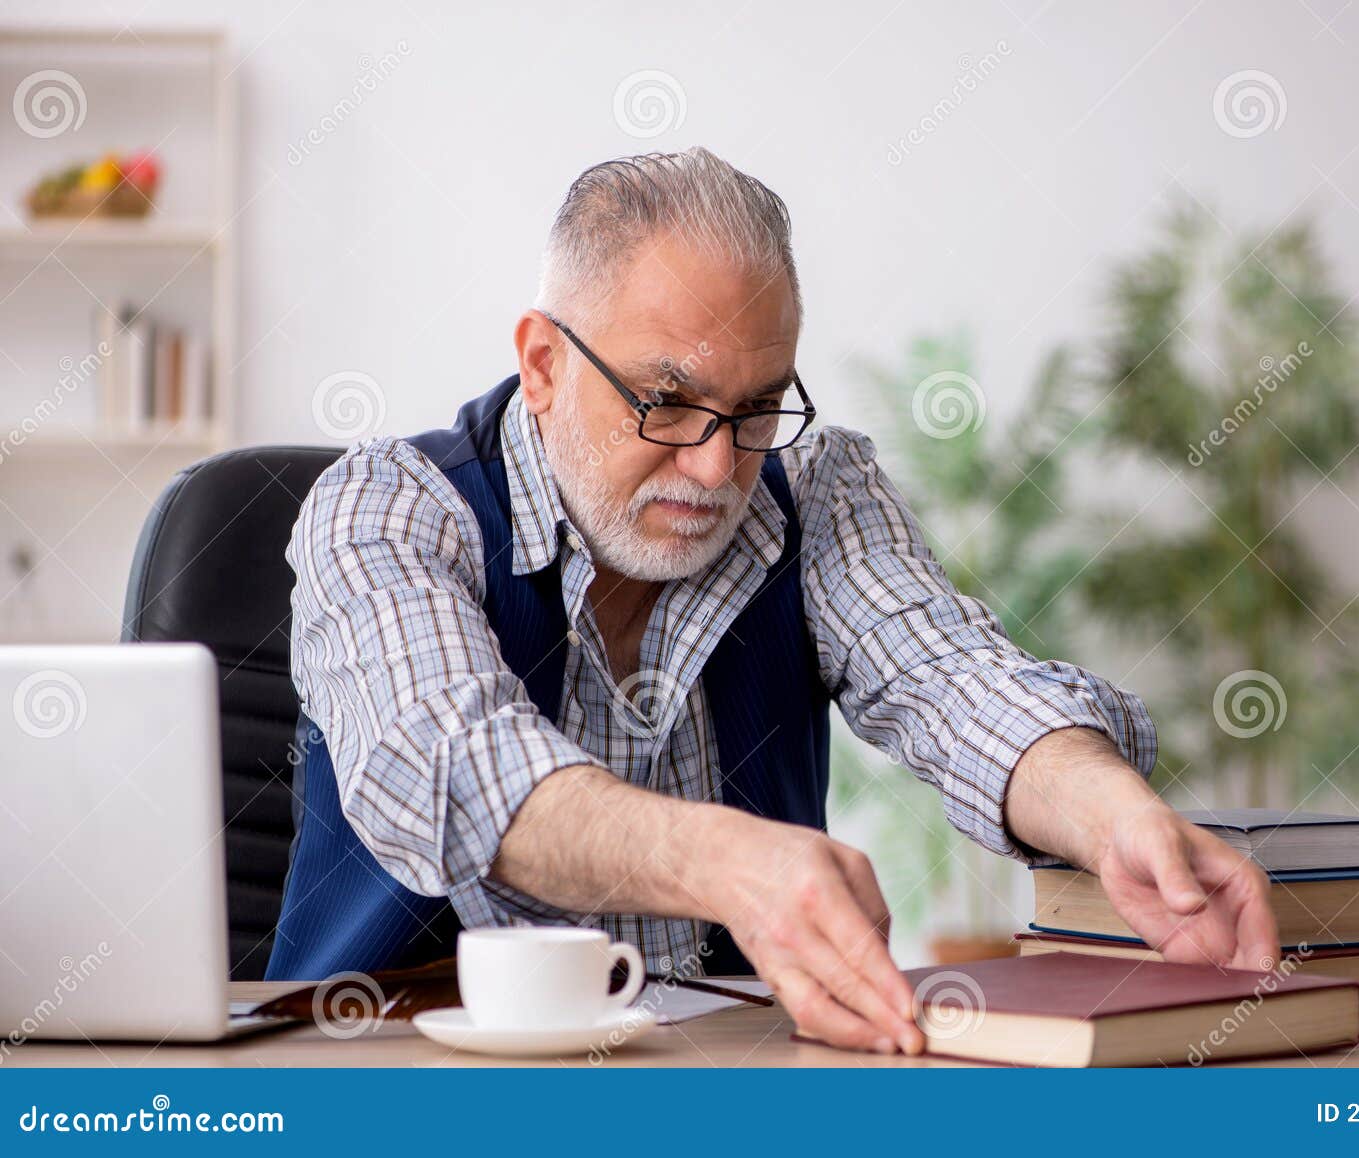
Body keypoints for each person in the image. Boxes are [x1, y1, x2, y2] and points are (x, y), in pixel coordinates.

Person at [273, 146, 1277, 1055]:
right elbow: (453, 759)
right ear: (542, 364)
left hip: (727, 1082)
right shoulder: (385, 509)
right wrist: (721, 862)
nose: (716, 469)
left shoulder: (818, 490)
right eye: (665, 404)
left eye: (755, 409)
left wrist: (1108, 813)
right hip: (391, 1085)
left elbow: (947, 675)